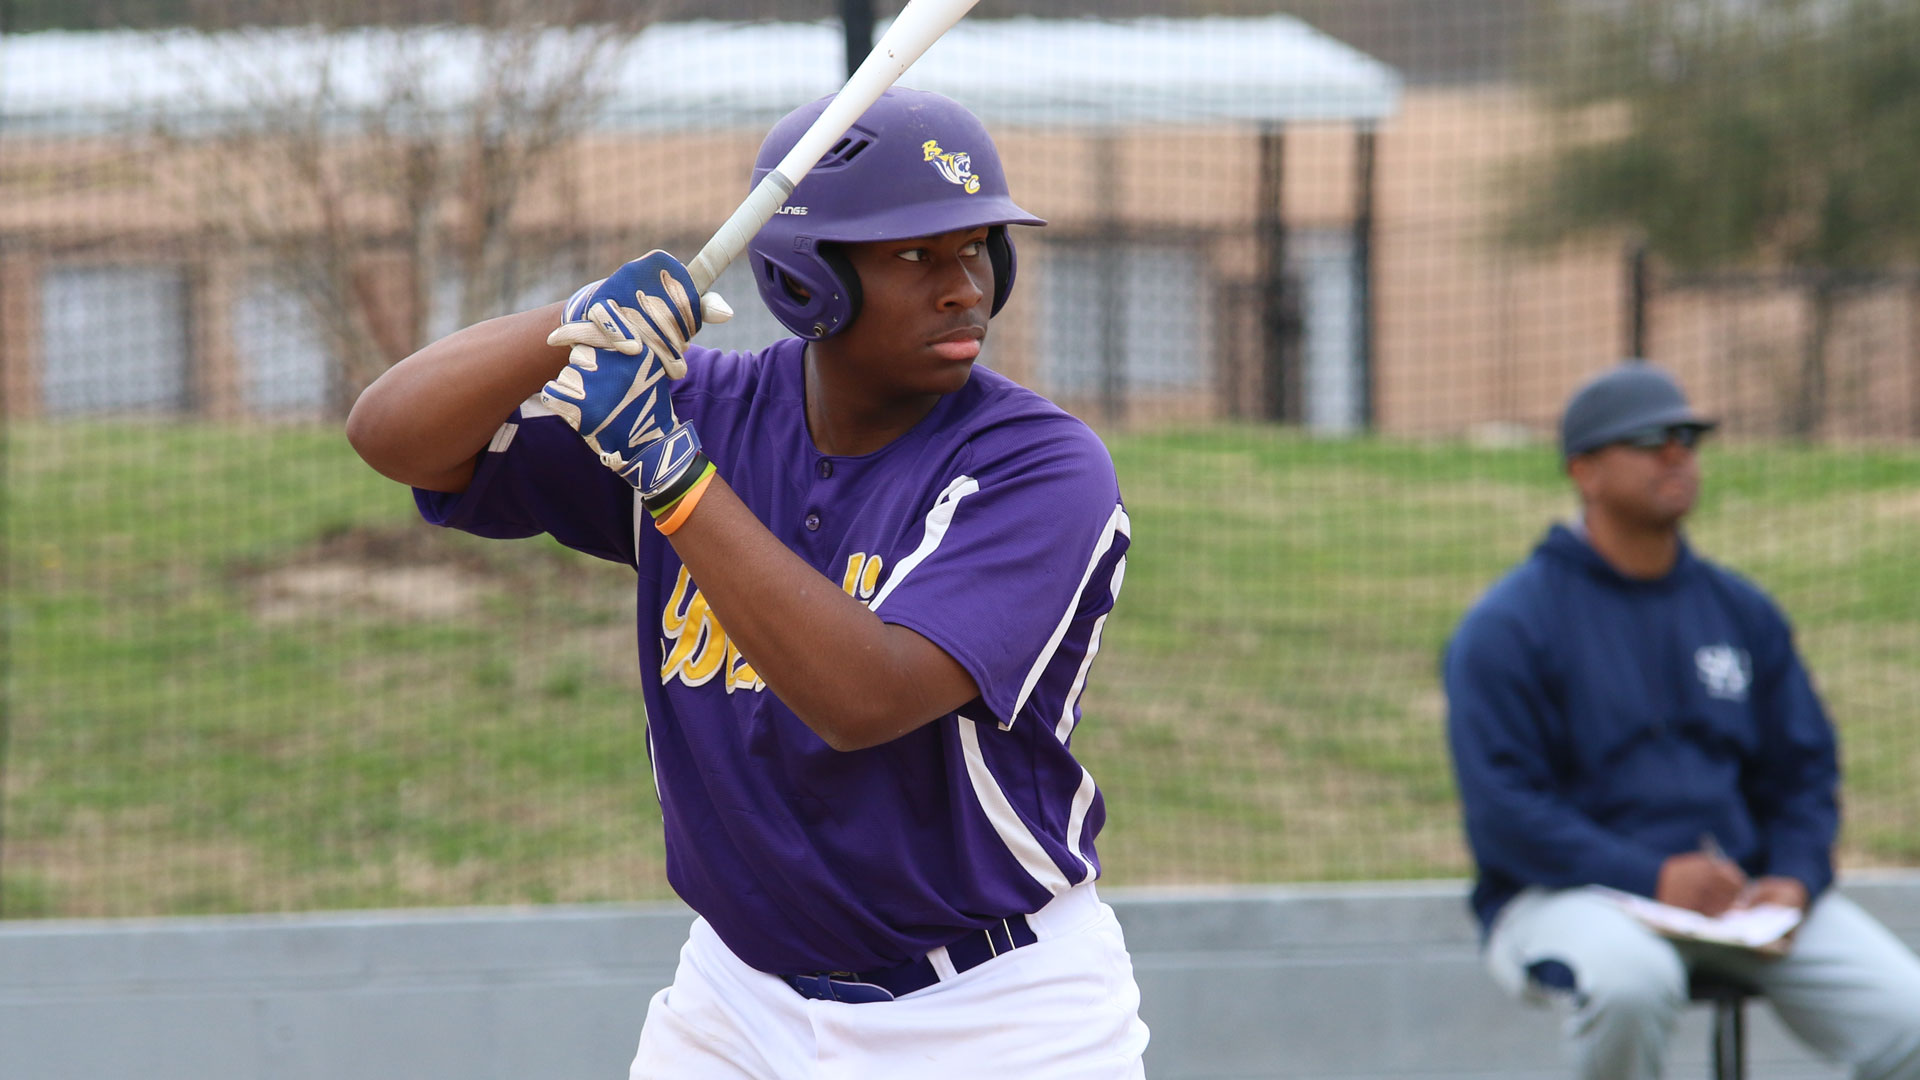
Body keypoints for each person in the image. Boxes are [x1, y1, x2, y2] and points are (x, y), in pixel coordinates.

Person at [345, 87, 1149, 1078]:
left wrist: (672, 476)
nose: (964, 286)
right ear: (807, 279)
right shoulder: (705, 411)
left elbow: (867, 696)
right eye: (914, 254)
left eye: (979, 246)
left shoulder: (1036, 466)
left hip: (989, 1012)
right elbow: (394, 437)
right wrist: (572, 320)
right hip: (736, 998)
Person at [1442, 362, 1920, 1080]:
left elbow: (1803, 772)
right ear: (1584, 471)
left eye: (1687, 438)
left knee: (1907, 1016)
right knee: (1633, 985)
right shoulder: (1511, 624)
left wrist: (1792, 875)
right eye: (1648, 439)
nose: (1676, 455)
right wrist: (1651, 874)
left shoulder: (1740, 611)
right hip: (1566, 897)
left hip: (1741, 900)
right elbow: (1505, 812)